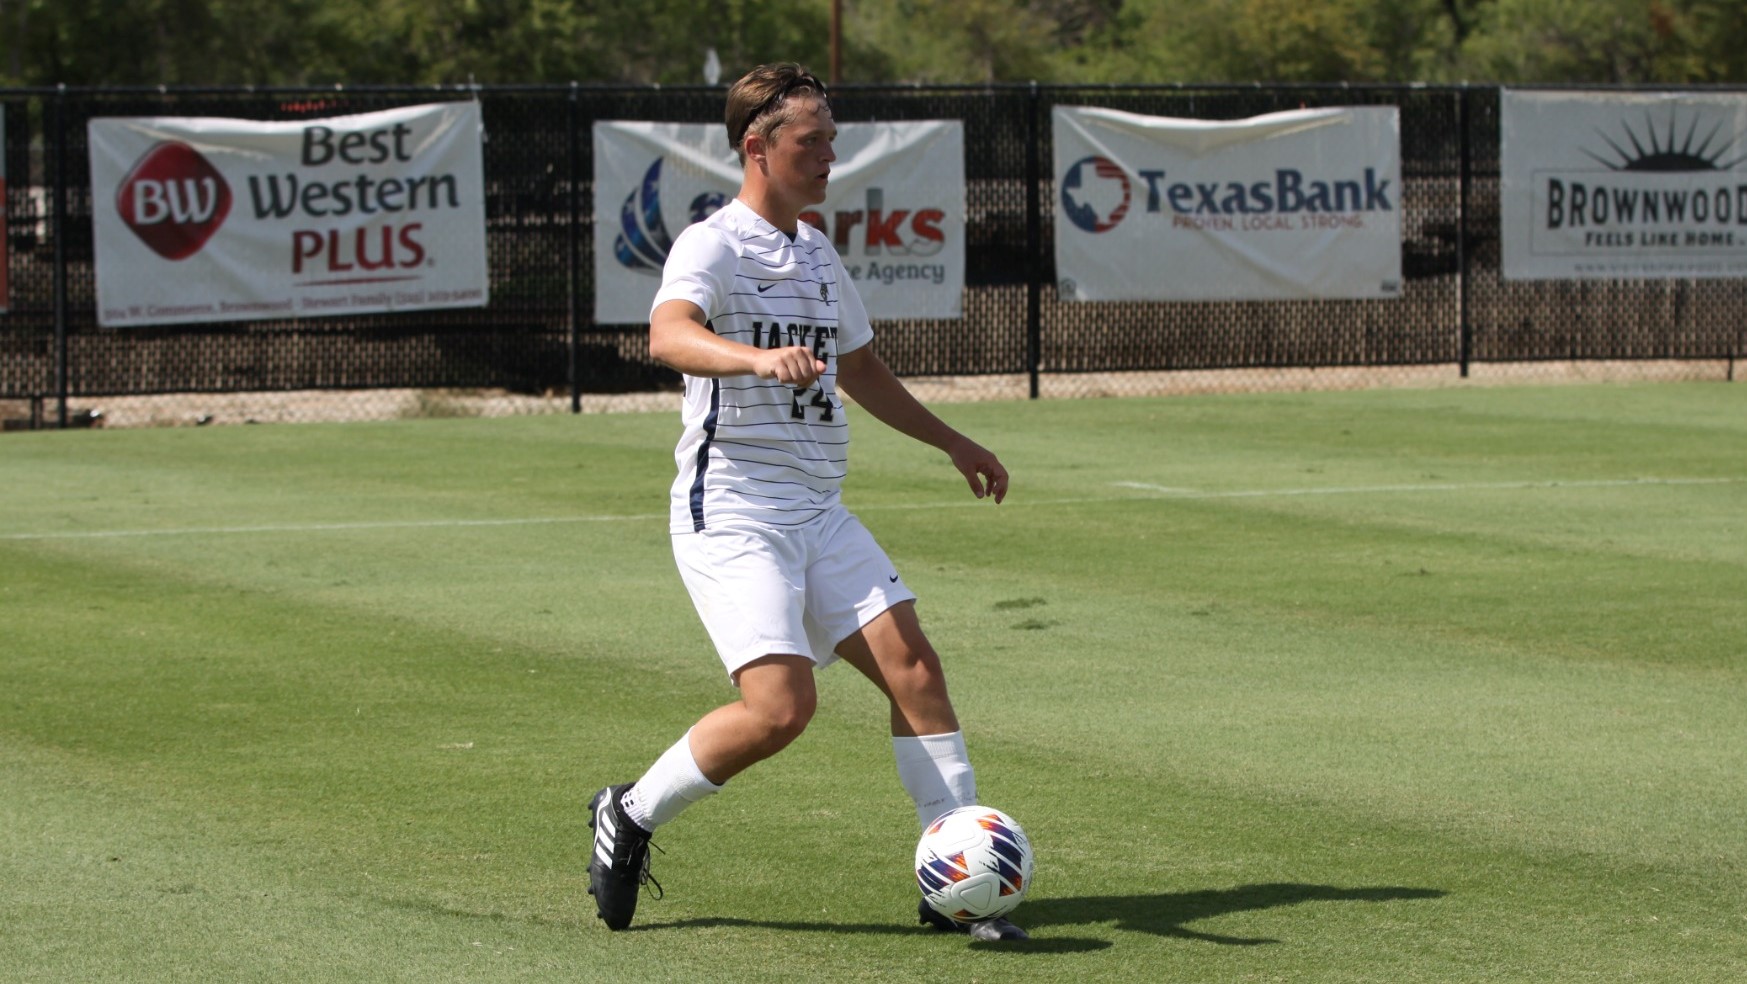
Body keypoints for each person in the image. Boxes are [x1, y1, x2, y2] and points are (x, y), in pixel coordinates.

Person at [585, 62, 1026, 942]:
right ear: (757, 146)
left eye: (831, 138)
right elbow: (667, 334)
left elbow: (859, 367)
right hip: (735, 510)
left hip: (817, 509)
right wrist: (753, 357)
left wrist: (952, 441)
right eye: (809, 139)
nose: (829, 155)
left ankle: (956, 893)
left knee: (916, 671)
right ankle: (629, 814)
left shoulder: (815, 248)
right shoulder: (713, 241)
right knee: (779, 710)